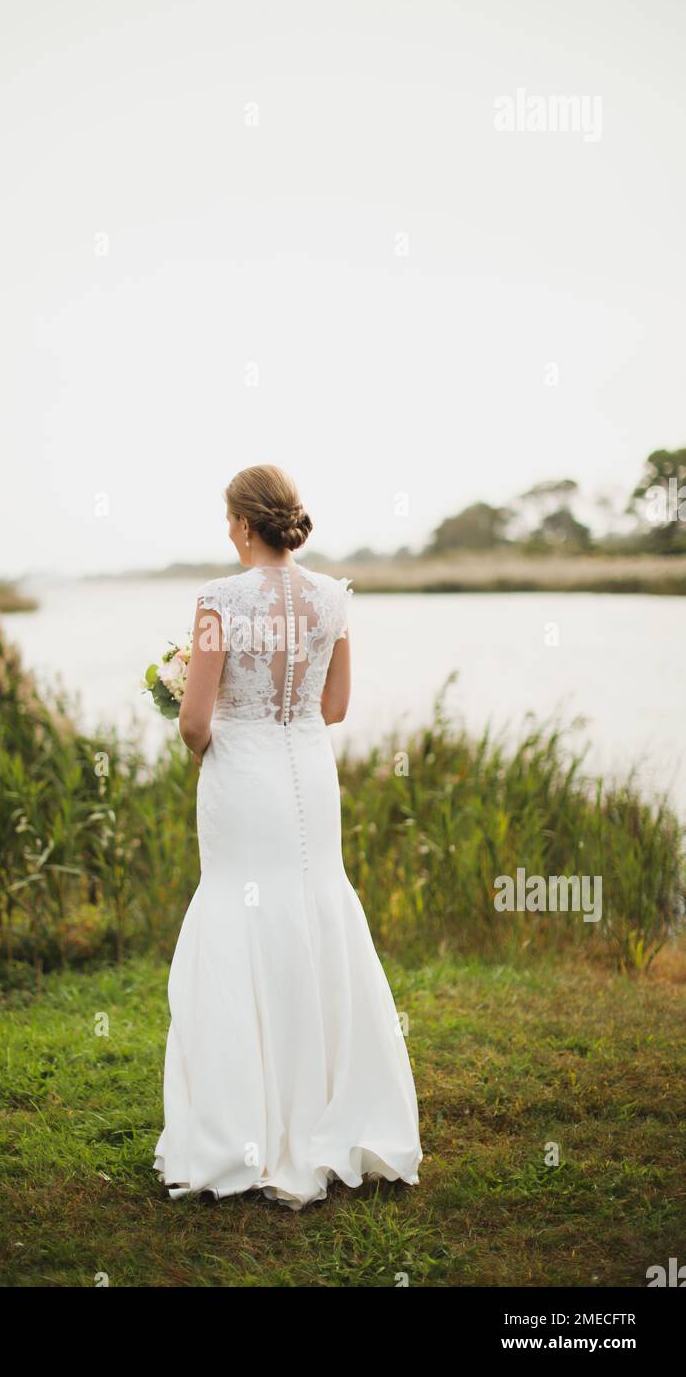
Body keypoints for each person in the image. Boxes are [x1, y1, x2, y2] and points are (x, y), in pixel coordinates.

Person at [153, 464, 422, 1209]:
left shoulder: (216, 602)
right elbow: (334, 706)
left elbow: (196, 722)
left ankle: (245, 1130)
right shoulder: (332, 597)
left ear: (242, 525)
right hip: (309, 772)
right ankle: (334, 1112)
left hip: (244, 779)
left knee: (242, 920)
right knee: (315, 907)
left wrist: (202, 734)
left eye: (225, 520)